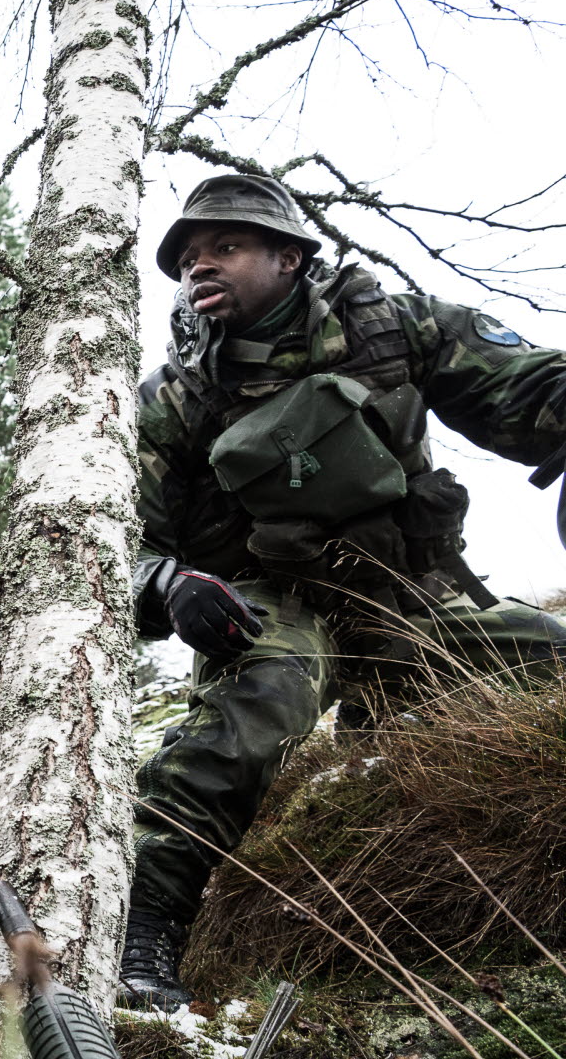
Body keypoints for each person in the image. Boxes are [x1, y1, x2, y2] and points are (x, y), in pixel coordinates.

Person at [119, 172, 566, 1009]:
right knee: (260, 707)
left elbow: (526, 387)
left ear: (290, 256)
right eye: (186, 259)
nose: (198, 268)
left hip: (411, 596)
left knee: (550, 663)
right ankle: (141, 941)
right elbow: (115, 545)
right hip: (273, 602)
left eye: (225, 247)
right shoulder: (174, 399)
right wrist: (169, 582)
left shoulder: (392, 328)